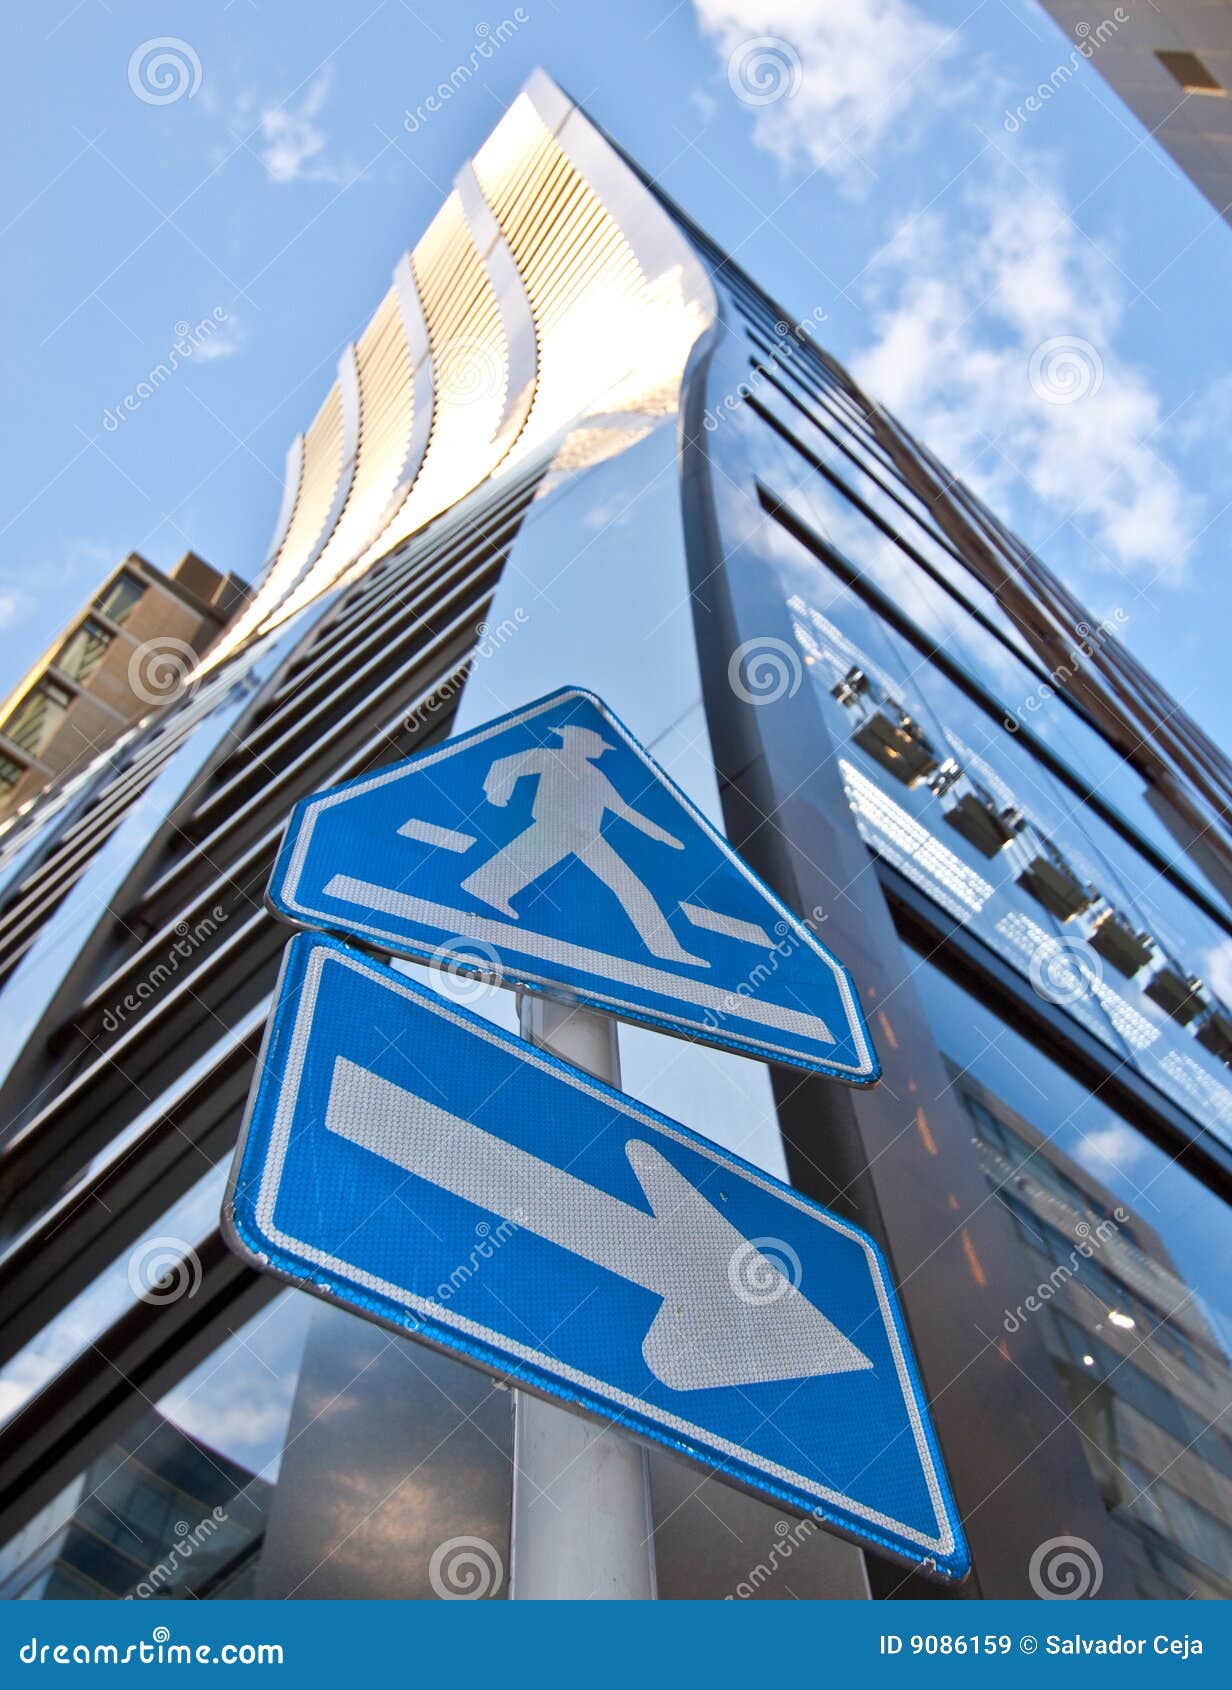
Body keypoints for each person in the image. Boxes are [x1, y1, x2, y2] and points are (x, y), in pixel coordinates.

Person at [460, 724, 708, 968]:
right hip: (553, 825)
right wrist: (497, 791)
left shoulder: (597, 776)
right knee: (519, 861)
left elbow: (623, 809)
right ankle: (483, 889)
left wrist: (660, 835)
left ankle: (666, 948)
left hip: (587, 836)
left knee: (630, 886)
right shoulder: (549, 757)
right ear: (581, 744)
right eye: (597, 745)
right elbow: (503, 765)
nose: (601, 751)